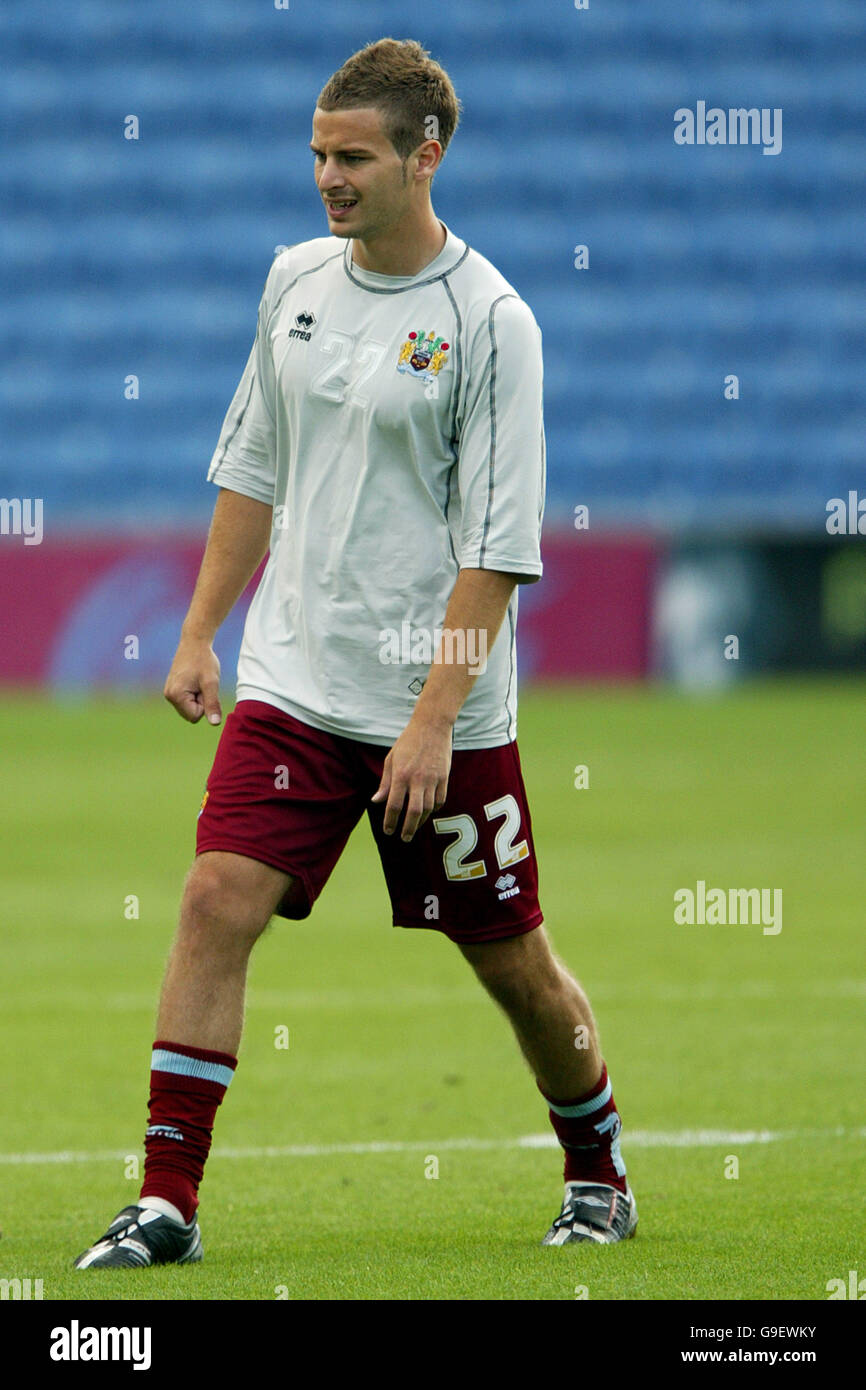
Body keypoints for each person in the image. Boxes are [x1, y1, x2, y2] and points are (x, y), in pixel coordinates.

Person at [75, 37, 636, 1271]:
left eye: (353, 156)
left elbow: (496, 544)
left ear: (423, 156)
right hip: (294, 682)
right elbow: (251, 469)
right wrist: (199, 631)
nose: (327, 176)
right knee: (216, 898)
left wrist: (434, 717)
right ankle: (167, 1200)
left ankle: (595, 1167)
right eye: (319, 153)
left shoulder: (491, 322)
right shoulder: (294, 282)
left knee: (509, 960)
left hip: (438, 705)